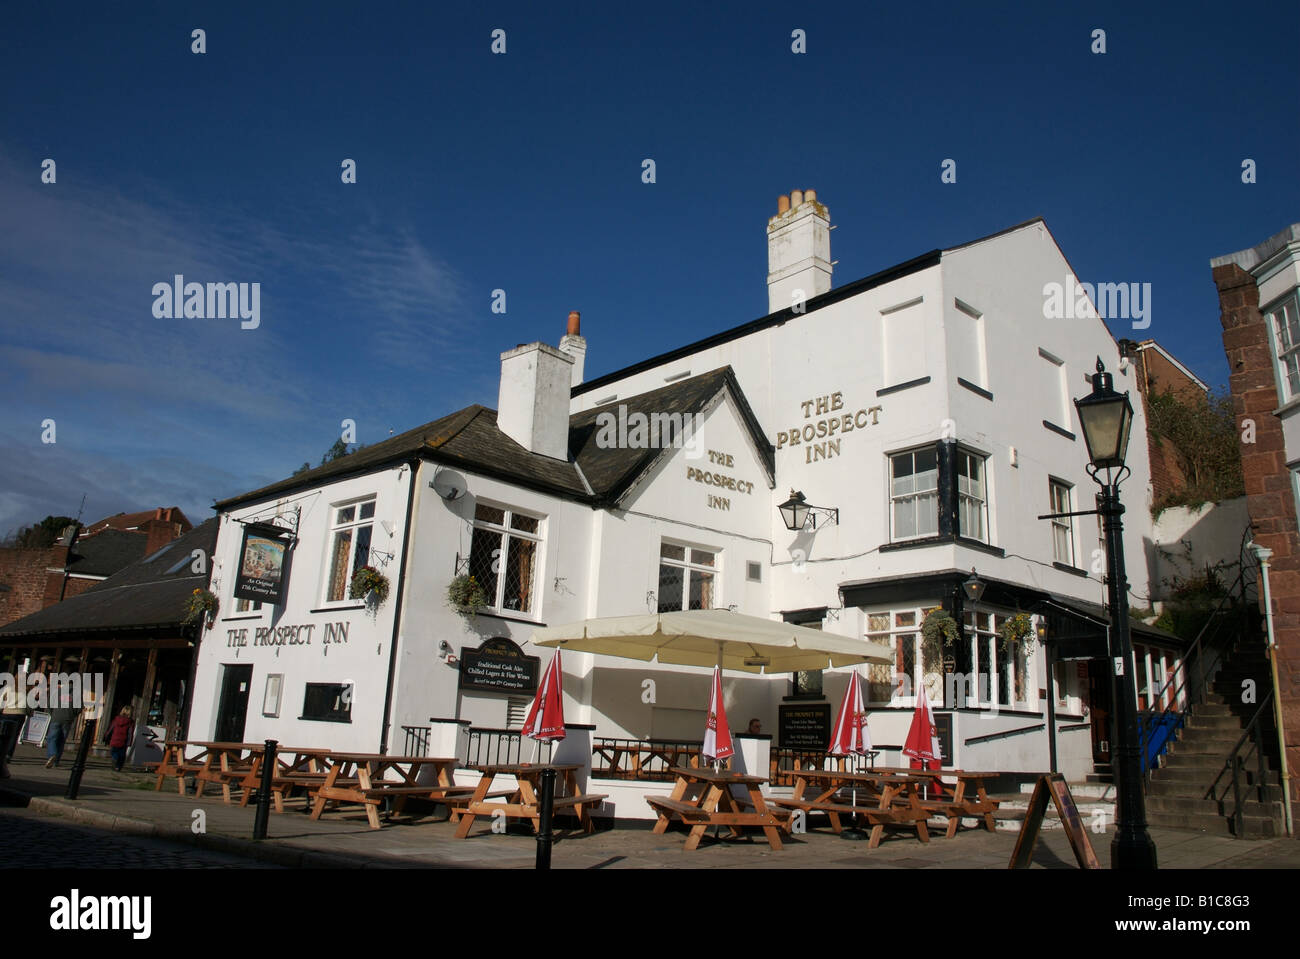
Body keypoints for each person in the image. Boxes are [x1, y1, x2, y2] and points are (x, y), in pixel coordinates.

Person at [0, 677, 31, 778]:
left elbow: (1, 699)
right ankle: (8, 754)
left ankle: (3, 755)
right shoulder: (25, 689)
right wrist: (30, 713)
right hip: (19, 714)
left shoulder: (8, 688)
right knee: (14, 735)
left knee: (2, 735)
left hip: (7, 712)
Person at [44, 687, 79, 769]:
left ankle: (52, 755)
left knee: (52, 738)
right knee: (61, 740)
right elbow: (79, 708)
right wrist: (72, 715)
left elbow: (49, 705)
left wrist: (52, 714)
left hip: (56, 718)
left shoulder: (56, 691)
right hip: (67, 720)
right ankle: (56, 761)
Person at [106, 705, 135, 772]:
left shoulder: (116, 719)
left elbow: (111, 729)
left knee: (114, 752)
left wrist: (106, 736)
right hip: (123, 741)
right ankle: (118, 767)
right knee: (122, 756)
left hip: (114, 739)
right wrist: (129, 742)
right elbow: (130, 733)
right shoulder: (130, 722)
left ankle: (114, 759)